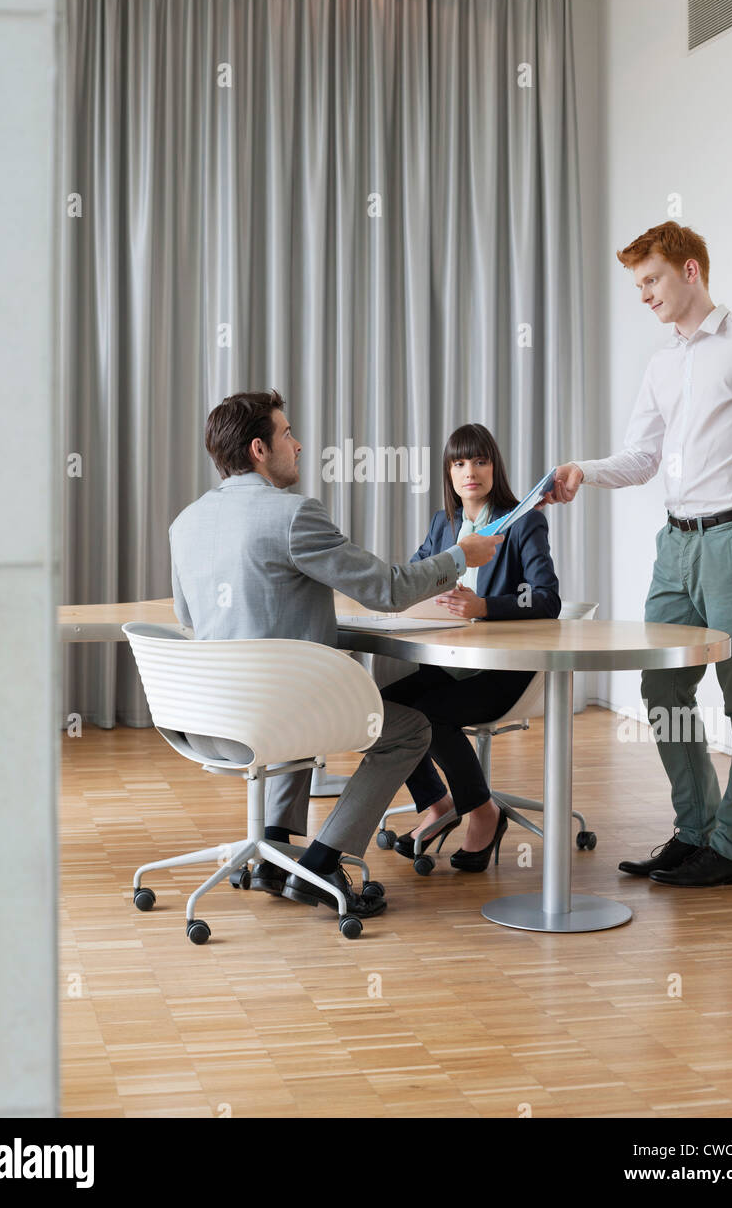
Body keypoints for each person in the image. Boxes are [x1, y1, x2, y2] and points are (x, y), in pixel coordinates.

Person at [168, 389, 503, 921]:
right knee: (407, 728)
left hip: (206, 721)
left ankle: (276, 856)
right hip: (271, 718)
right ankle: (324, 860)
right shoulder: (295, 516)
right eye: (286, 434)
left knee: (290, 692)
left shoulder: (184, 524)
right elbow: (388, 590)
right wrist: (460, 555)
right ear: (259, 449)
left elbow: (190, 619)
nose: (298, 445)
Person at [541, 222, 732, 888]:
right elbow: (642, 458)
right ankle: (697, 830)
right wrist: (582, 470)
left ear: (690, 272)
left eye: (651, 279)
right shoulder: (663, 363)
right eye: (637, 285)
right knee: (661, 684)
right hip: (676, 545)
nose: (644, 294)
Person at [381, 423, 560, 872]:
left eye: (480, 461)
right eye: (459, 463)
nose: (470, 471)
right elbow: (415, 573)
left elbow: (548, 598)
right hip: (451, 660)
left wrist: (484, 605)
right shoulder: (445, 523)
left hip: (503, 671)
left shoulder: (524, 521)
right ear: (448, 472)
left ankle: (483, 811)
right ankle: (438, 804)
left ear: (494, 467)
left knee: (430, 715)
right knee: (383, 709)